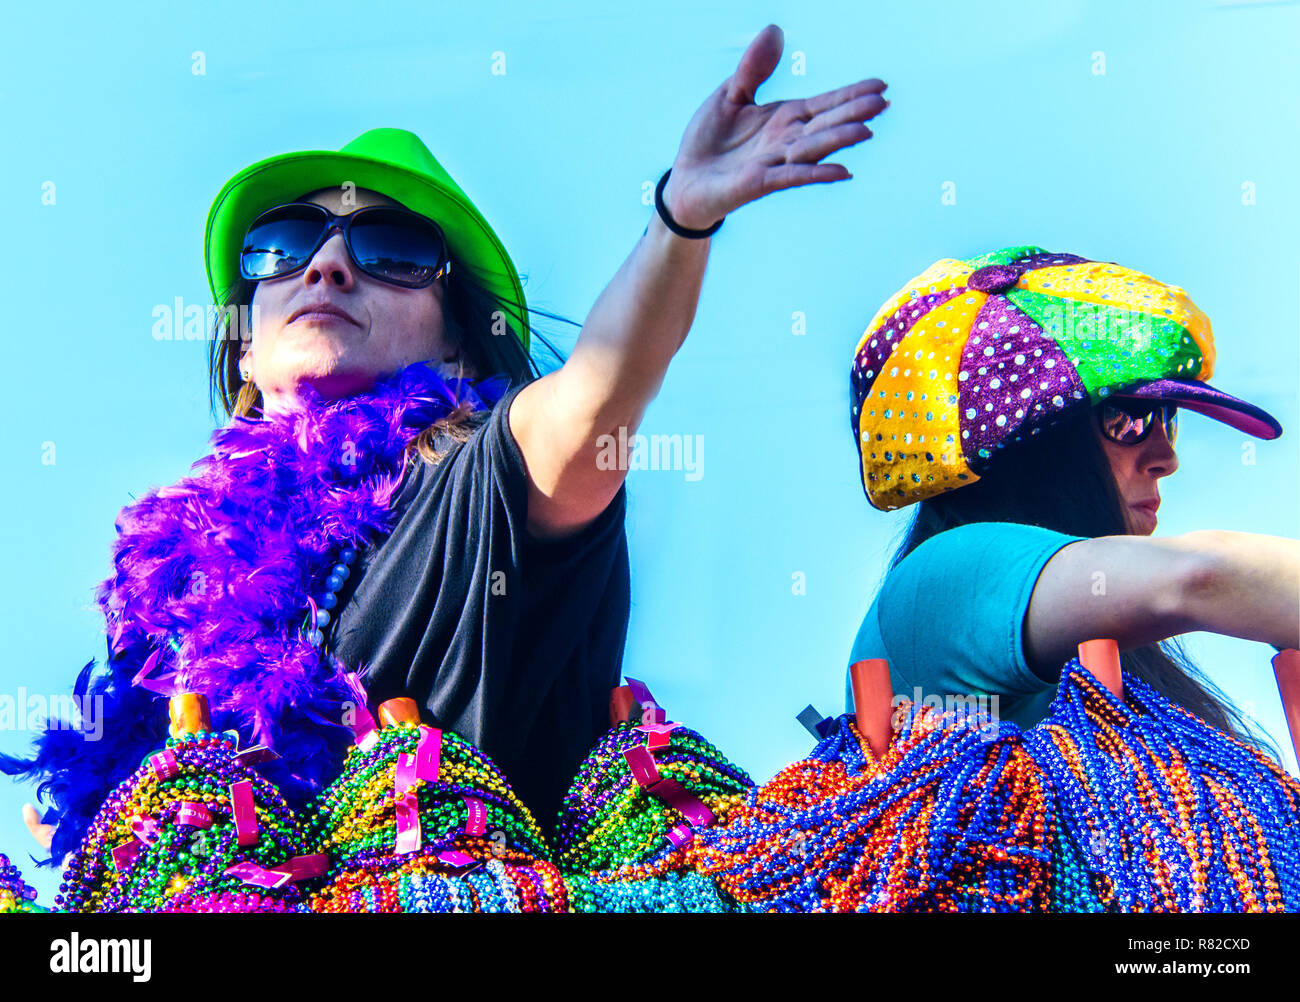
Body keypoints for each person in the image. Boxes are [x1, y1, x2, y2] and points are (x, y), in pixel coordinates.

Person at [6, 24, 891, 864]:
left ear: (461, 342)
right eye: (280, 247)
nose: (328, 265)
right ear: (246, 337)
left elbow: (595, 399)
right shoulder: (171, 592)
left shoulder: (471, 492)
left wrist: (679, 221)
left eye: (392, 248)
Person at [845, 247, 1299, 750]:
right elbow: (1203, 576)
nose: (1166, 457)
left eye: (1168, 417)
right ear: (1035, 442)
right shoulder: (941, 578)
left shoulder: (1098, 625)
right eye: (1128, 419)